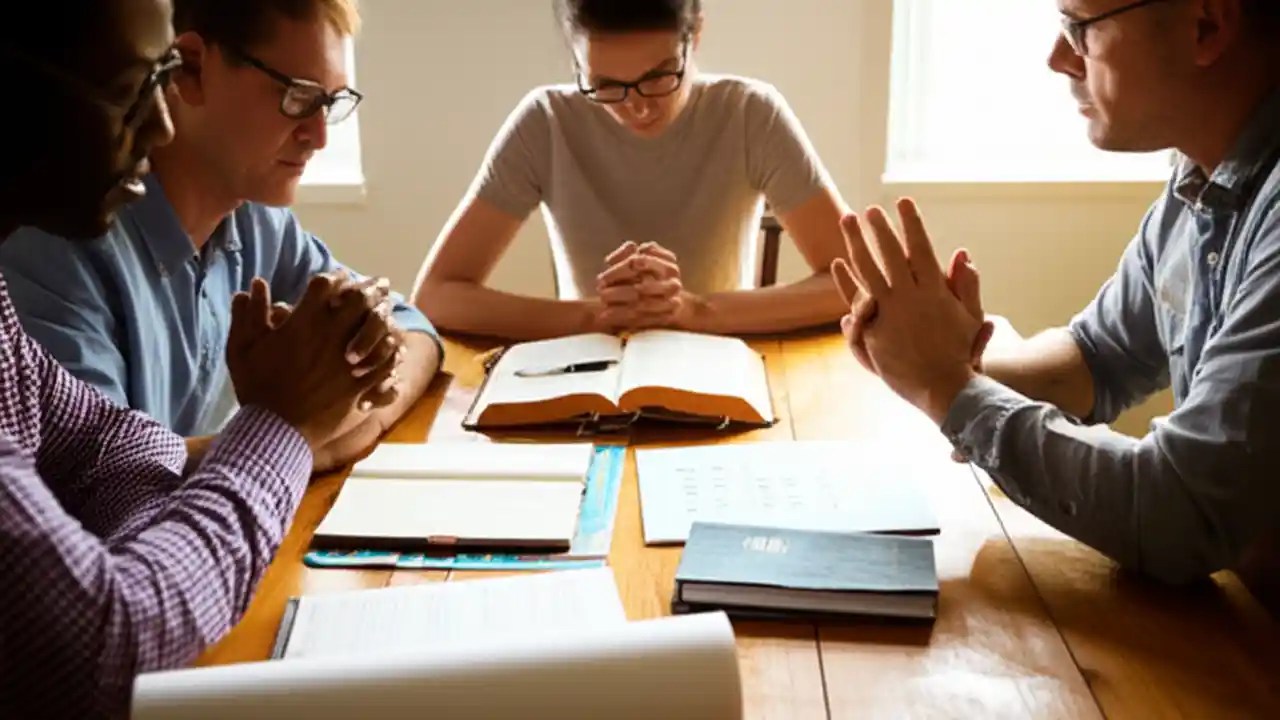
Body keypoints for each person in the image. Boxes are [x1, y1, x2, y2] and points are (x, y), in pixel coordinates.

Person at [0, 0, 403, 716]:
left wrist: (298, 423)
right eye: (133, 86)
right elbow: (105, 647)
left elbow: (105, 451)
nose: (159, 125)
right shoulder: (48, 257)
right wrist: (283, 427)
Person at [834, 0, 1280, 585]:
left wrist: (947, 384)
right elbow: (1096, 358)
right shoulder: (1198, 180)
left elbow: (1181, 511)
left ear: (1206, 26)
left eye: (1080, 27)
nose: (1057, 58)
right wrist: (948, 351)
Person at [0, 0, 441, 472]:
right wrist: (300, 438)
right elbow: (98, 481)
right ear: (190, 69)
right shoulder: (54, 244)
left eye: (329, 104)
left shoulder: (254, 219)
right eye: (298, 96)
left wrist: (330, 434)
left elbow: (413, 327)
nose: (319, 136)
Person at [412, 0, 850, 340]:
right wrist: (592, 314)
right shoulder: (545, 121)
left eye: (659, 77)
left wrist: (696, 310)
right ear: (576, 65)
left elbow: (853, 280)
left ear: (694, 36)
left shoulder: (749, 113)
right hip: (590, 368)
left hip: (717, 360)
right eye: (605, 85)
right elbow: (437, 294)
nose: (637, 107)